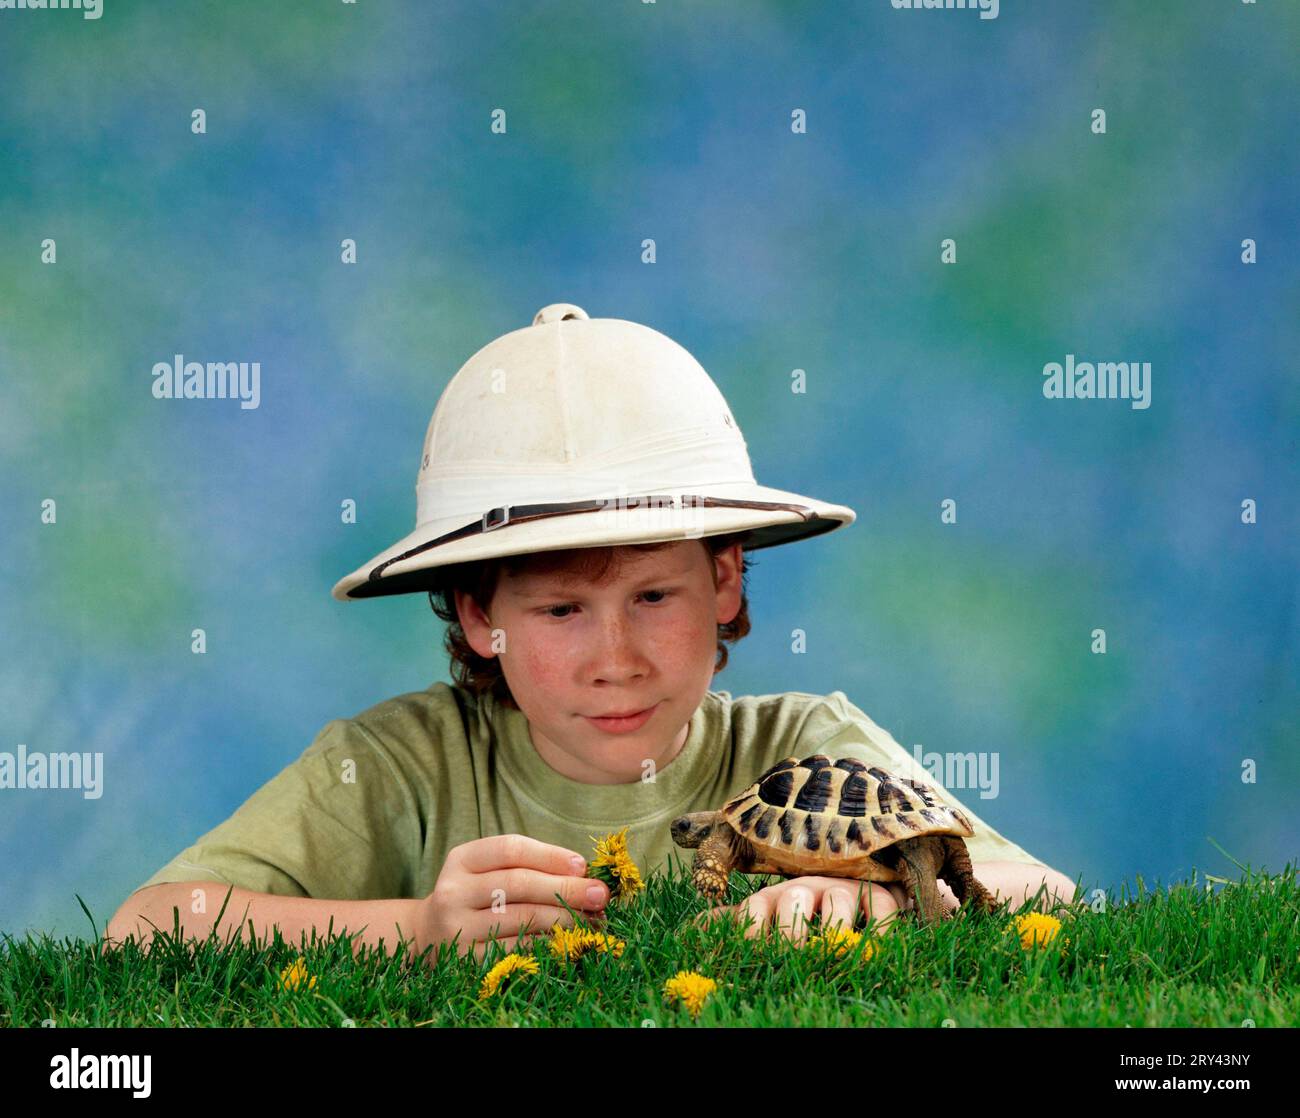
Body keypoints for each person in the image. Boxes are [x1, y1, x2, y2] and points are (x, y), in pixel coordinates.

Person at [105, 303, 1075, 964]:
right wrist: (420, 923)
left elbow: (1051, 893)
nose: (616, 658)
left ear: (725, 581)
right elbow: (142, 929)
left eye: (654, 596)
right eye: (561, 609)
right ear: (479, 615)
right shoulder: (395, 764)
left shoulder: (801, 748)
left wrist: (897, 895)